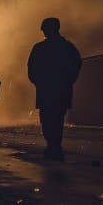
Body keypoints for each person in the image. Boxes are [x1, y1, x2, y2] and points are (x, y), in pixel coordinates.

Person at [28, 17, 82, 161]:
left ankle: (52, 145)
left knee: (47, 118)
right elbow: (76, 65)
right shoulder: (68, 47)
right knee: (57, 118)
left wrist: (38, 82)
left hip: (45, 90)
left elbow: (31, 69)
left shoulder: (39, 48)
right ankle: (55, 145)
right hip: (61, 90)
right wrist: (68, 81)